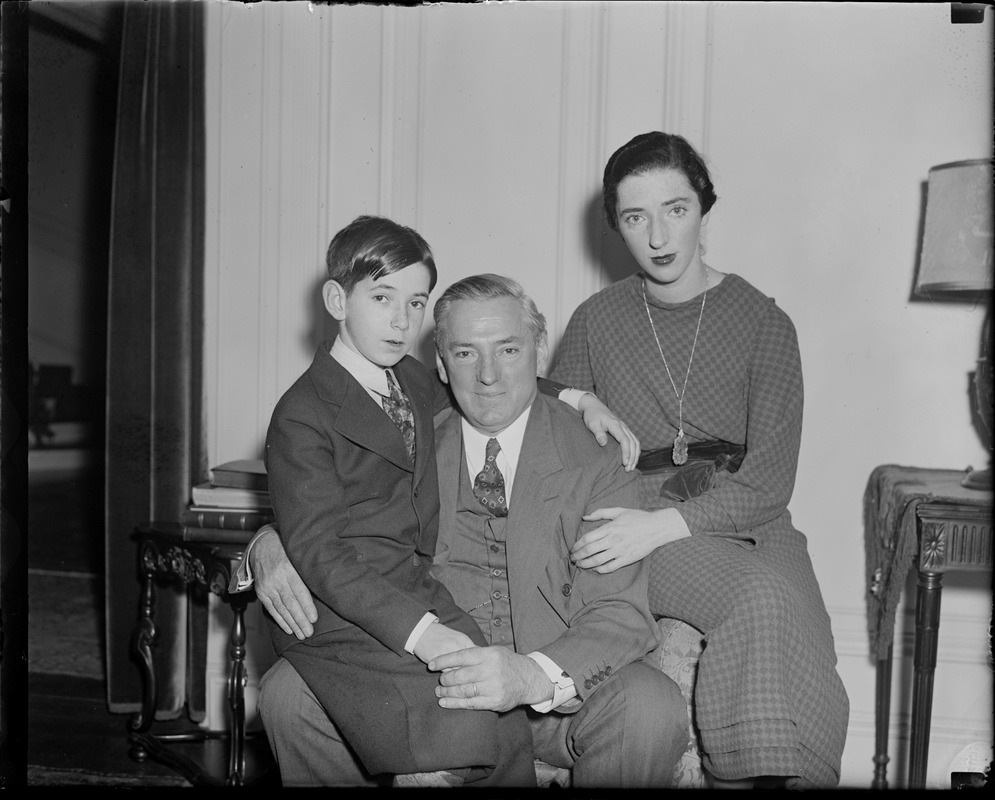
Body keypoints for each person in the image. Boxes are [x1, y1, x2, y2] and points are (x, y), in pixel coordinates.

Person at [243, 274, 689, 788]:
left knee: (650, 703)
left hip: (555, 700)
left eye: (508, 349)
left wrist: (530, 676)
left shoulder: (596, 454)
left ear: (539, 352)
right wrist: (268, 541)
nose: (489, 377)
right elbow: (324, 512)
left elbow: (620, 614)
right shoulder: (408, 438)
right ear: (440, 364)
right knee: (288, 693)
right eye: (465, 354)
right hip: (428, 681)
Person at [553, 131, 849, 789]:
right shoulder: (596, 319)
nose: (657, 235)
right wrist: (578, 398)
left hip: (744, 511)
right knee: (760, 597)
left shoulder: (763, 321)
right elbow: (536, 408)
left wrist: (664, 529)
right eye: (635, 217)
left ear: (703, 209)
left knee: (811, 647)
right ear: (616, 227)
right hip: (640, 509)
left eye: (674, 209)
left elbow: (769, 481)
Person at [258, 215, 539, 787]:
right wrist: (421, 632)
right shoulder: (302, 413)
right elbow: (319, 552)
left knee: (497, 707)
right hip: (338, 613)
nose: (401, 320)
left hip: (407, 588)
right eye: (382, 297)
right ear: (337, 299)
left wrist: (579, 397)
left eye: (416, 303)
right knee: (452, 731)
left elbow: (485, 383)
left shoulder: (407, 377)